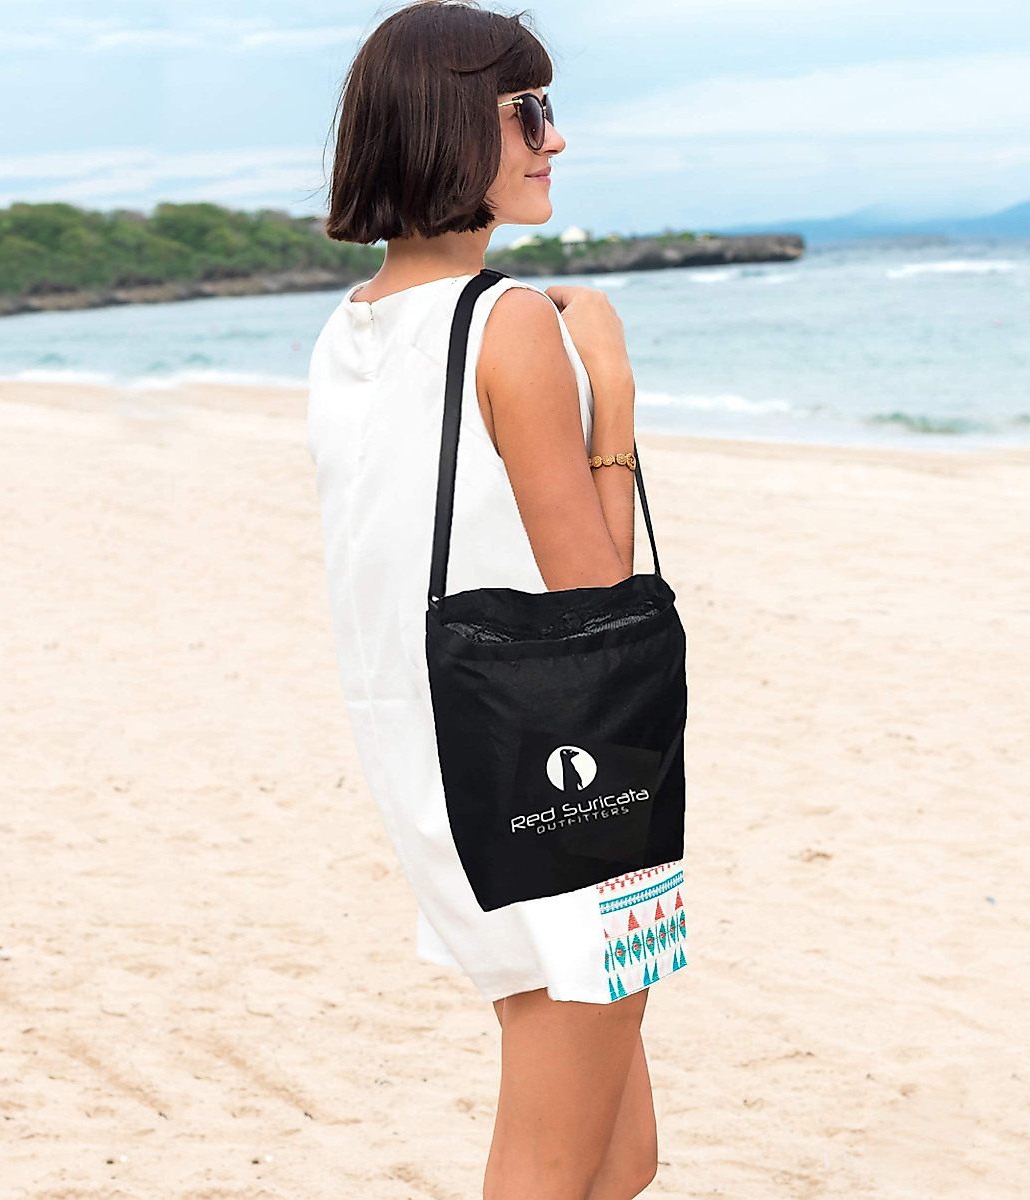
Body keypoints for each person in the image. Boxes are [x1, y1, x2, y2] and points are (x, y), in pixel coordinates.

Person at [306, 4, 688, 1196]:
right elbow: (597, 602)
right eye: (529, 111)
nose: (554, 138)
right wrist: (612, 392)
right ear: (446, 126)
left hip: (442, 765)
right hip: (560, 768)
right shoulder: (507, 324)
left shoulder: (349, 332)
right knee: (553, 1156)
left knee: (620, 1154)